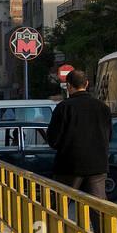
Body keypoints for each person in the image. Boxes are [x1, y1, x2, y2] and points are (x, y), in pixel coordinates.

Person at [46, 69, 113, 201]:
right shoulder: (103, 107)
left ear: (69, 86)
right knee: (98, 207)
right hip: (97, 165)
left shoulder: (63, 107)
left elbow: (53, 139)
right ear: (87, 84)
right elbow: (109, 136)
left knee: (60, 205)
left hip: (69, 165)